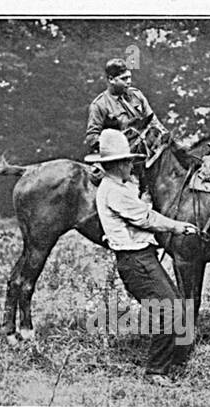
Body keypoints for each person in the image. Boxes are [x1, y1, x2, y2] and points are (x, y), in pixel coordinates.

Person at [86, 129, 198, 387]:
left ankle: (177, 361)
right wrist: (178, 226)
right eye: (127, 162)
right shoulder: (114, 191)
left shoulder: (119, 187)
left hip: (144, 258)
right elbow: (146, 218)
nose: (131, 166)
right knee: (168, 311)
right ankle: (155, 371)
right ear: (115, 165)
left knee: (177, 306)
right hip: (135, 262)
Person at [86, 58, 166, 158]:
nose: (129, 82)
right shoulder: (99, 105)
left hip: (145, 152)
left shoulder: (136, 95)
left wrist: (164, 135)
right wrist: (116, 143)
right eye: (124, 79)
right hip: (118, 157)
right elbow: (92, 138)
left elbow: (153, 121)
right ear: (111, 79)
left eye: (129, 77)